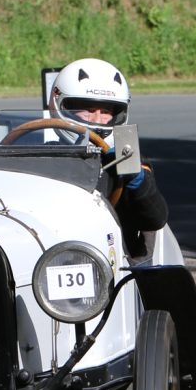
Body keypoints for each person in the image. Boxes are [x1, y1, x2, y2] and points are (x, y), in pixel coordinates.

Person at [48, 58, 168, 257]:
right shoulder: (43, 155)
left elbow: (155, 219)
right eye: (88, 110)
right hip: (53, 247)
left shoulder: (126, 157)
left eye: (105, 112)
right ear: (62, 105)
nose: (97, 119)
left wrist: (138, 182)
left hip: (114, 258)